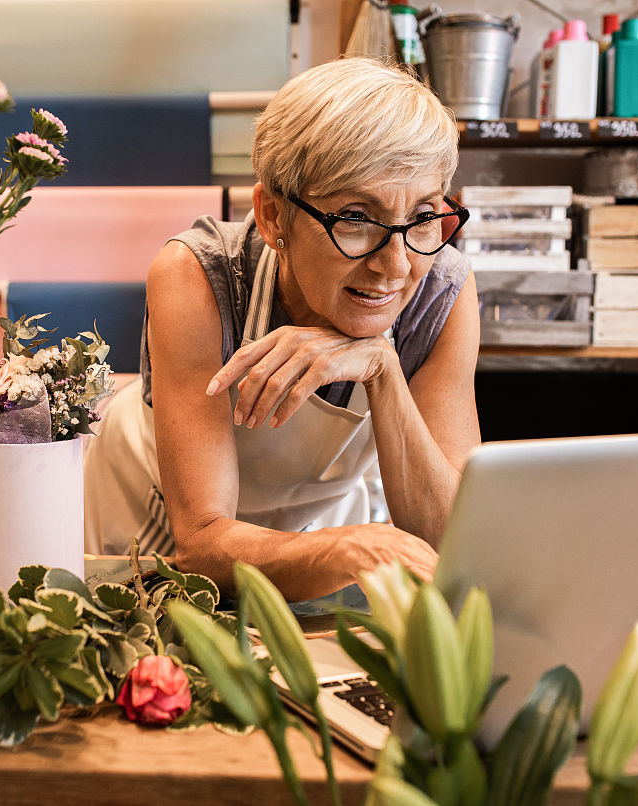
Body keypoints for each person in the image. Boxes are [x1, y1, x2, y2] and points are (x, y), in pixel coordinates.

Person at [85, 57, 480, 601]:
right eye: (357, 219)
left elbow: (456, 539)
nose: (396, 265)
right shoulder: (197, 274)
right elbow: (200, 544)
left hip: (326, 525)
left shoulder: (442, 289)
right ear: (273, 217)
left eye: (422, 215)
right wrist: (350, 549)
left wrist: (382, 367)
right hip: (153, 518)